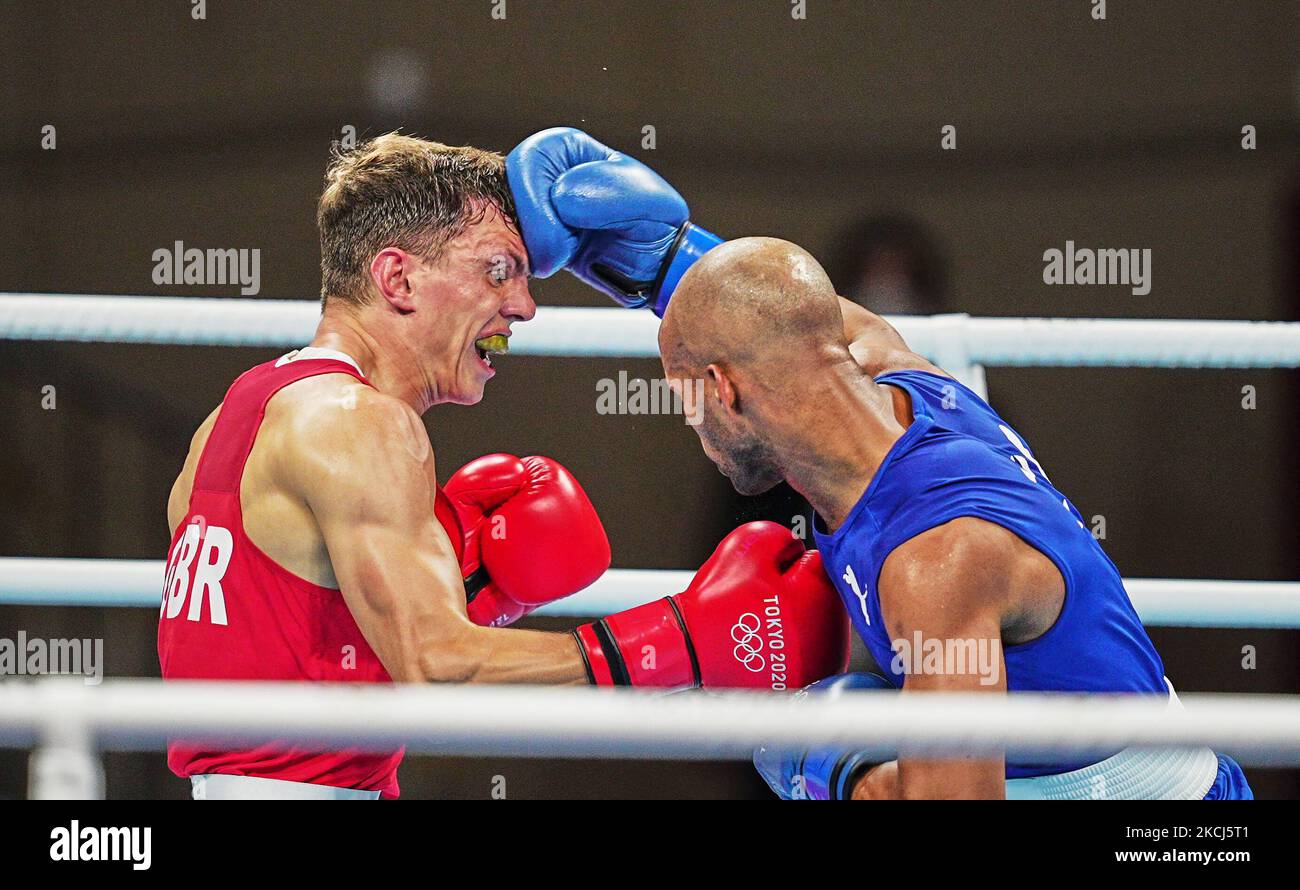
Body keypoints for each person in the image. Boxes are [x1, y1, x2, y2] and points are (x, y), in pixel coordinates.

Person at [509, 128, 1251, 798]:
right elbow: (805, 318)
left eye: (683, 398)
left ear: (721, 392)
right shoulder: (912, 384)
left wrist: (842, 765)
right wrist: (665, 258)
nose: (688, 423)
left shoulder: (936, 561)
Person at [159, 134, 849, 800]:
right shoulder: (359, 422)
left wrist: (474, 585)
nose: (523, 304)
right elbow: (439, 672)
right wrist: (680, 641)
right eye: (498, 269)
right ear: (397, 277)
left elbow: (266, 646)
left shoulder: (230, 417)